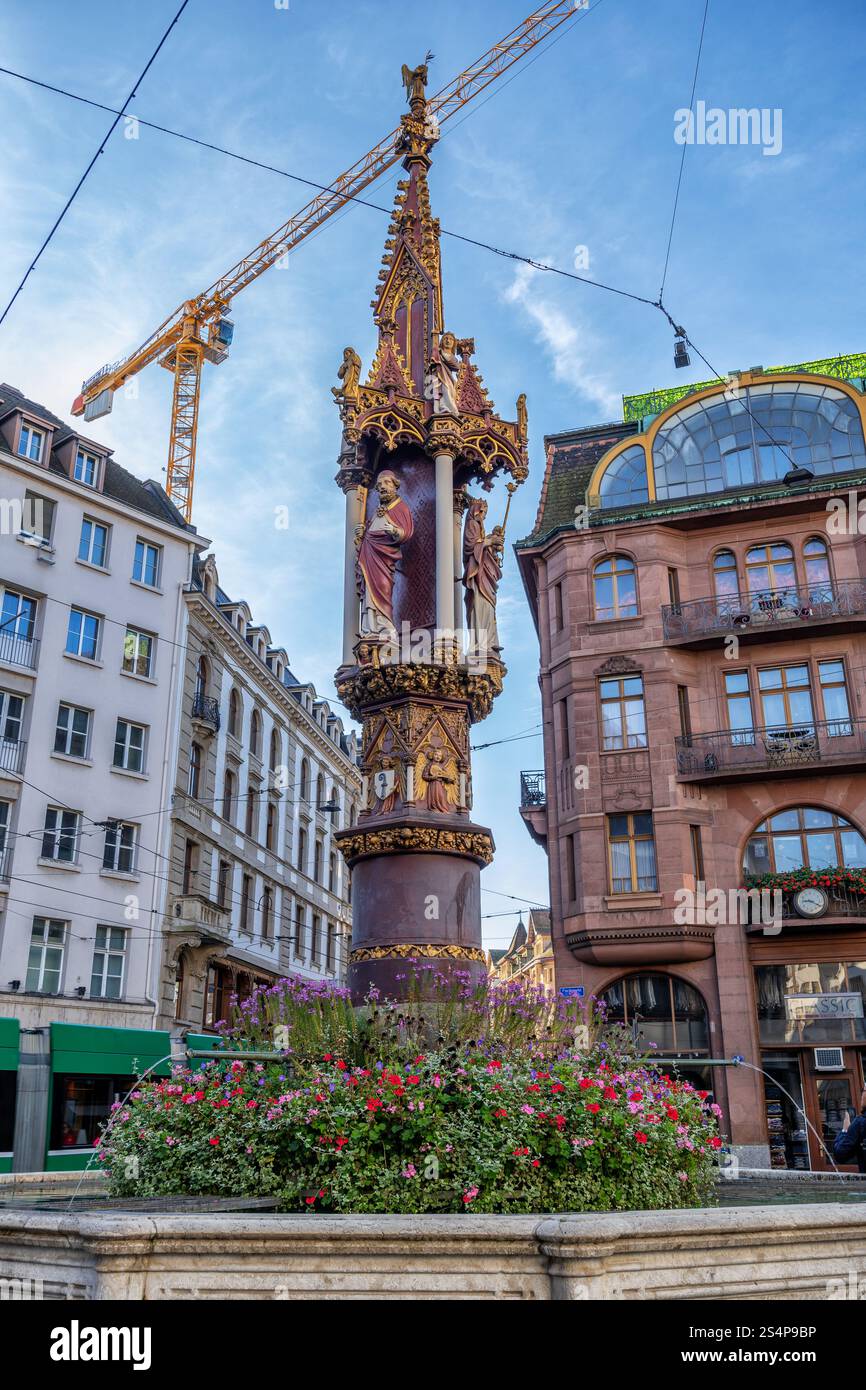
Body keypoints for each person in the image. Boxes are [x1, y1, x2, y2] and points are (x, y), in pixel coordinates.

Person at [833, 1087, 866, 1172]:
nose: (862, 1095)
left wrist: (845, 1130)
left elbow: (841, 1155)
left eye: (863, 1091)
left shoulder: (860, 1123)